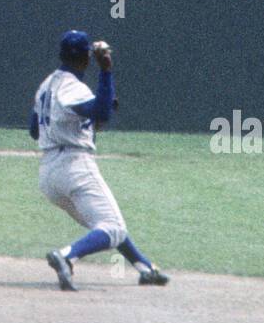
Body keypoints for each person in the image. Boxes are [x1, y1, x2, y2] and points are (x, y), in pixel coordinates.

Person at [33, 32, 169, 292]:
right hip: (74, 166)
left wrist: (84, 122)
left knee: (104, 224)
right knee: (113, 227)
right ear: (86, 57)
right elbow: (102, 111)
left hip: (48, 174)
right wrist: (106, 71)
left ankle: (145, 267)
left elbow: (33, 129)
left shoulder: (46, 85)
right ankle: (66, 256)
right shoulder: (73, 86)